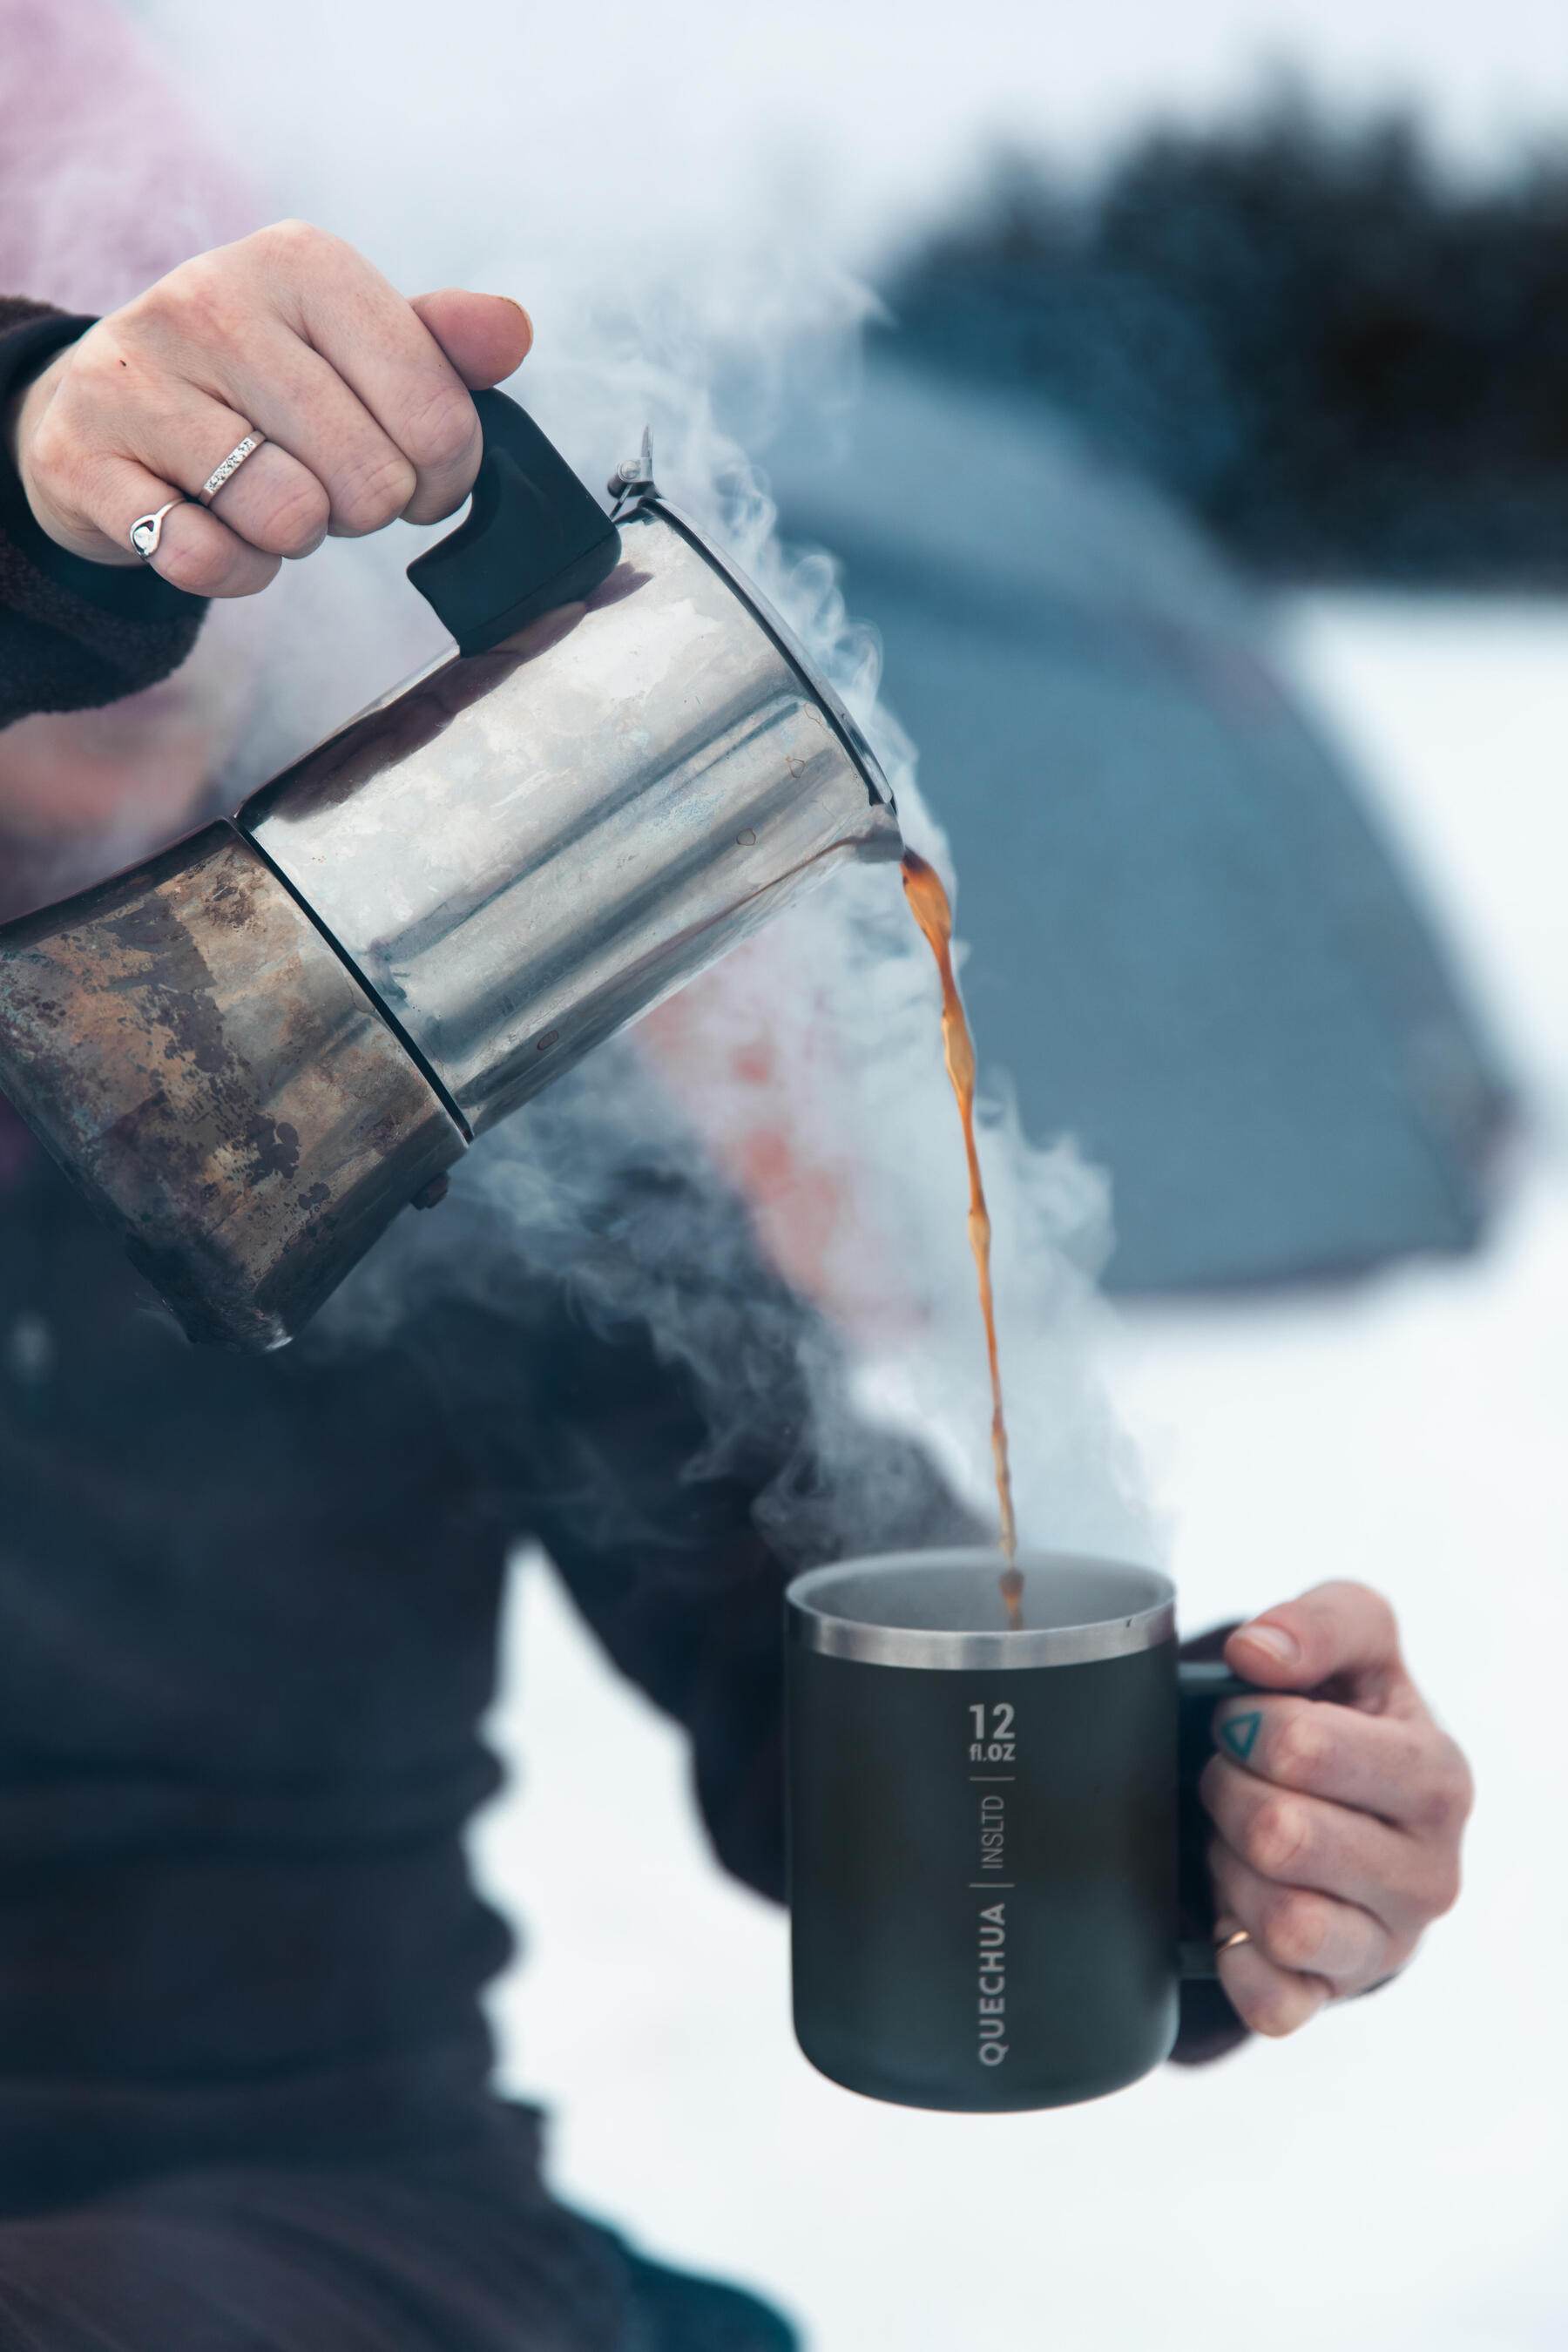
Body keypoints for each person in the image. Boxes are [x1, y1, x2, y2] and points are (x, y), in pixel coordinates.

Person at [0, 226, 1473, 2350]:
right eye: (138, 490)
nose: (170, 589)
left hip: (328, 2206)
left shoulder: (444, 1094)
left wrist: (1195, 1814)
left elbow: (804, 1619)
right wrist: (39, 453)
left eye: (224, 497)